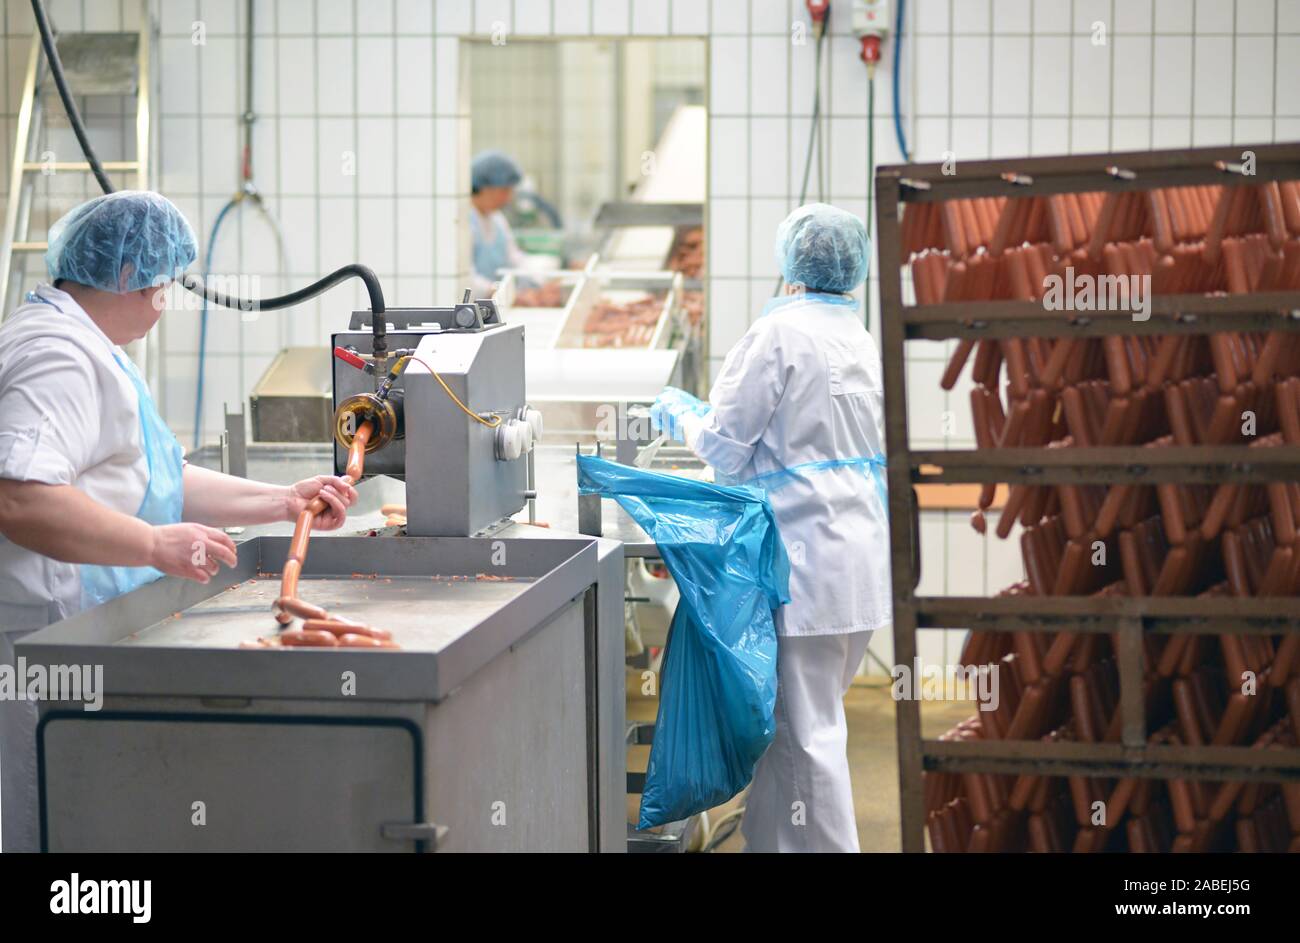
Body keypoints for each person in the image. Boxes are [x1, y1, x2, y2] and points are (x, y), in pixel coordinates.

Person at [0, 190, 358, 852]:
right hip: (43, 642)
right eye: (164, 283)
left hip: (83, 631)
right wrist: (152, 544)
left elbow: (158, 477)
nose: (167, 301)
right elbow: (21, 498)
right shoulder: (57, 356)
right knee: (48, 825)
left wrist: (283, 500)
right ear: (132, 277)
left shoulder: (91, 345)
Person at [650, 203, 890, 853]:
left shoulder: (778, 334)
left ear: (791, 264)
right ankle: (769, 840)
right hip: (857, 560)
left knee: (804, 733)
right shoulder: (858, 335)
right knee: (802, 725)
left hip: (802, 562)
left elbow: (726, 450)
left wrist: (679, 414)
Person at [468, 150, 531, 299]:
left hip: (499, 304)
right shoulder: (465, 223)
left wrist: (537, 282)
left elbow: (514, 259)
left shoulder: (497, 219)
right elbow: (467, 279)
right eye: (504, 190)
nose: (508, 198)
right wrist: (499, 292)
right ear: (484, 187)